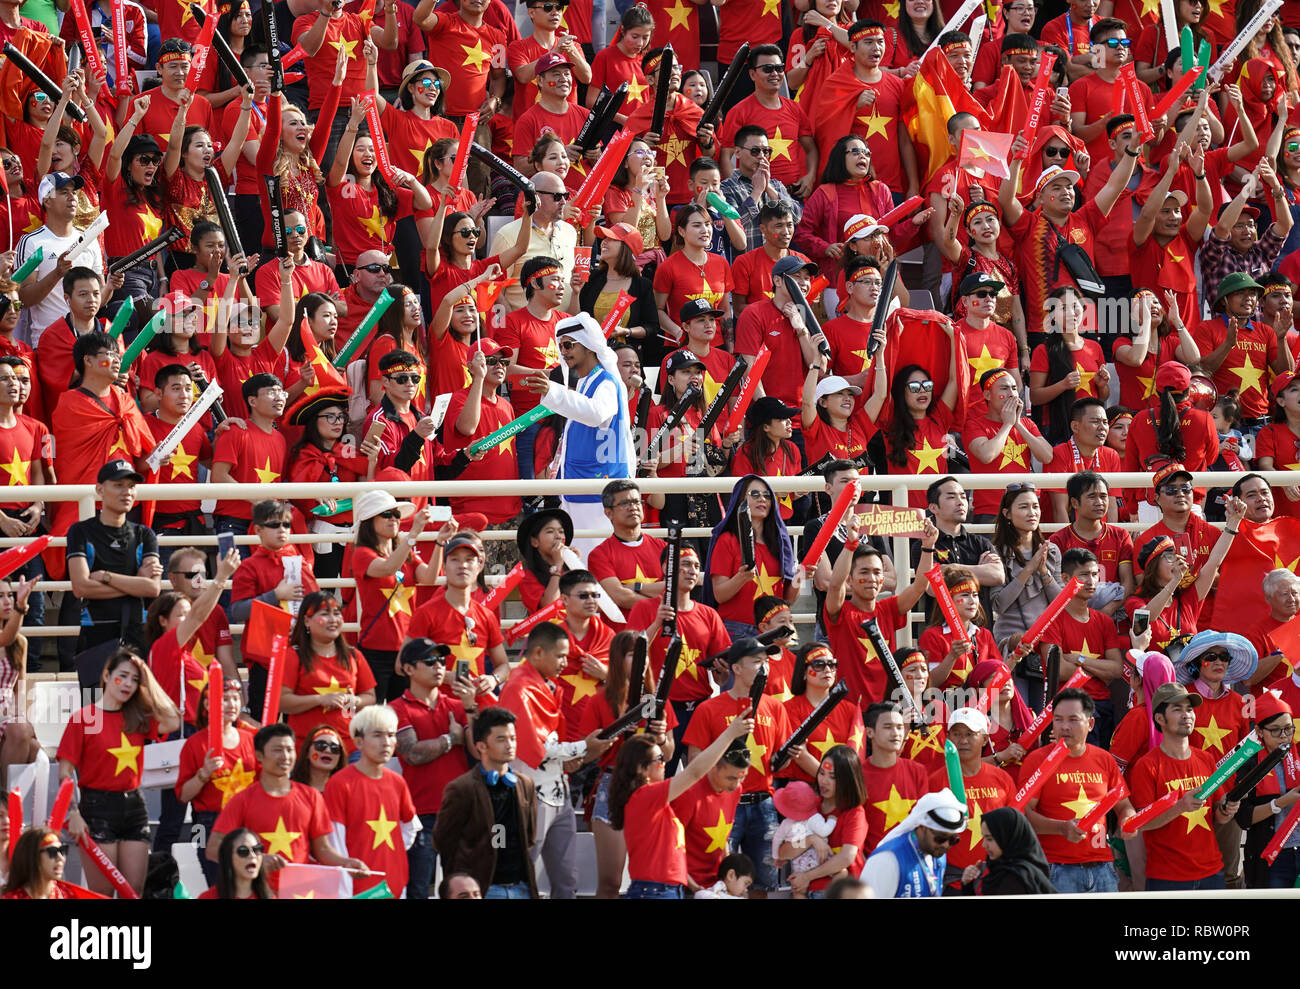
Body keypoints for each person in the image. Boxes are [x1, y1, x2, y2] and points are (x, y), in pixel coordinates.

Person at [682, 637, 814, 894]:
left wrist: (792, 752)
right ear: (736, 668)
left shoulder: (775, 708)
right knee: (718, 878)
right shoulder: (709, 709)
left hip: (763, 803)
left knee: (760, 883)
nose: (763, 668)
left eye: (765, 662)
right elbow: (694, 761)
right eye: (756, 662)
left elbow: (779, 763)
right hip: (721, 804)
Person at [497, 621, 612, 899]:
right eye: (561, 656)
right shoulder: (518, 688)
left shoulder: (545, 686)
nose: (565, 662)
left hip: (558, 793)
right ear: (537, 653)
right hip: (528, 797)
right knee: (519, 875)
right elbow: (538, 747)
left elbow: (550, 748)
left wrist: (569, 759)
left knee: (567, 878)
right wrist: (584, 747)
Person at [55, 649, 179, 896]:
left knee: (134, 890)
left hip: (134, 805)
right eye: (123, 676)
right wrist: (73, 813)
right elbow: (65, 772)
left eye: (135, 679)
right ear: (107, 675)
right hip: (96, 806)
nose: (129, 684)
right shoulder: (85, 718)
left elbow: (173, 719)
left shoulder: (137, 716)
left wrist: (148, 678)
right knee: (103, 892)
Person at [609, 713, 753, 899]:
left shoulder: (651, 799)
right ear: (641, 769)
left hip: (665, 890)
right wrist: (729, 734)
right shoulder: (644, 796)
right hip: (654, 891)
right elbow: (694, 773)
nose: (664, 764)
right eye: (659, 760)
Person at [208, 723, 367, 888]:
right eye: (277, 750)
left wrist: (346, 863)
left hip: (299, 891)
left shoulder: (311, 797)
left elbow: (323, 850)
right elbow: (213, 848)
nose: (285, 756)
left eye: (290, 750)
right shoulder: (242, 800)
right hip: (257, 890)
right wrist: (254, 859)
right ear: (259, 756)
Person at [523, 313, 633, 547]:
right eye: (560, 346)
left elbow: (596, 413)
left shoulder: (605, 381)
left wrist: (553, 392)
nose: (564, 351)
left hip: (599, 489)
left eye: (569, 345)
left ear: (589, 344)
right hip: (582, 487)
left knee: (597, 564)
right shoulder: (585, 383)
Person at [1020, 687, 1136, 893]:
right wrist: (1062, 828)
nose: (1064, 727)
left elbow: (1124, 805)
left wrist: (1128, 819)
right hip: (1056, 869)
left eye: (1073, 720)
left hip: (1103, 867)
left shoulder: (1104, 759)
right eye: (1058, 719)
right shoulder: (1037, 761)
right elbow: (1024, 815)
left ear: (1090, 724)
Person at [1129, 682, 1239, 891]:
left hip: (1212, 873)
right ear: (1160, 718)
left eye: (1189, 709)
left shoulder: (1206, 759)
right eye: (1177, 709)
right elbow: (1141, 823)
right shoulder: (1147, 766)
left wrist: (1227, 810)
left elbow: (1218, 815)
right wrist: (1180, 806)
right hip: (1167, 878)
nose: (1186, 715)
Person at [390, 638, 474, 901]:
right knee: (419, 889)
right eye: (429, 661)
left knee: (461, 889)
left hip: (460, 812)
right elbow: (413, 753)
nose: (438, 666)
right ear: (408, 669)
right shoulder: (396, 708)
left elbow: (477, 749)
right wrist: (450, 739)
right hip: (421, 815)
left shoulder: (458, 706)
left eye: (441, 660)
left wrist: (471, 707)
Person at [825, 511, 937, 708]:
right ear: (849, 580)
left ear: (883, 579)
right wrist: (850, 545)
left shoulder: (888, 609)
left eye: (877, 572)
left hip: (888, 710)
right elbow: (835, 585)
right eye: (864, 572)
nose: (871, 578)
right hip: (851, 711)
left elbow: (920, 586)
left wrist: (928, 547)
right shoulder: (840, 612)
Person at [349, 491, 446, 702]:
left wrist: (439, 543)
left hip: (407, 648)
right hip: (376, 649)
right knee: (373, 712)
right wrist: (413, 535)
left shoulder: (407, 554)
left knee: (404, 712)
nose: (394, 519)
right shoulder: (362, 554)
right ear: (368, 521)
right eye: (386, 514)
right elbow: (388, 568)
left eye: (395, 514)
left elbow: (429, 578)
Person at [434, 707, 540, 899]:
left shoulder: (526, 785)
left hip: (521, 886)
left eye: (513, 738)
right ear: (481, 746)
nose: (510, 745)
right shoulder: (462, 788)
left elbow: (530, 836)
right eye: (501, 739)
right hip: (483, 889)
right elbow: (444, 841)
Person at [64, 459, 162, 660]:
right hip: (95, 632)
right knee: (94, 693)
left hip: (137, 632)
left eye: (131, 486)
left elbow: (152, 589)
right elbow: (81, 587)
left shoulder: (145, 534)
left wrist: (105, 577)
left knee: (138, 691)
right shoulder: (80, 531)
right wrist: (135, 584)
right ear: (99, 489)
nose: (126, 492)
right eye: (118, 485)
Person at [1126, 493, 1246, 653]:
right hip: (1154, 675)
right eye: (1169, 556)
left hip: (1186, 676)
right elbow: (1145, 619)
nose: (1177, 559)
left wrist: (1234, 522)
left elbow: (1214, 562)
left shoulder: (1188, 599)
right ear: (1152, 566)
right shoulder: (1134, 602)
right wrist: (1174, 582)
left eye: (1178, 554)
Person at [324, 705, 420, 897]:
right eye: (377, 735)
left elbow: (410, 826)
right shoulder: (340, 783)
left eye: (391, 735)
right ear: (358, 741)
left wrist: (391, 857)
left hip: (394, 883)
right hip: (354, 889)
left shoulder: (397, 782)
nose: (386, 742)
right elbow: (334, 841)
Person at [1039, 549, 1126, 746]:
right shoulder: (1051, 619)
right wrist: (1100, 670)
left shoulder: (1105, 622)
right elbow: (1058, 669)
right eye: (1084, 575)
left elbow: (1116, 670)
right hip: (1069, 708)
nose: (1092, 581)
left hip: (1104, 706)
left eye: (1095, 574)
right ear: (1065, 578)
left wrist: (1079, 659)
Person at [177, 674, 256, 887]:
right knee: (216, 883)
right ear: (207, 703)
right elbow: (183, 795)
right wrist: (203, 774)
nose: (232, 704)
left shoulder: (252, 740)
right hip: (207, 822)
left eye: (235, 698)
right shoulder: (194, 744)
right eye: (224, 698)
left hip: (248, 820)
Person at [991, 483, 1062, 709]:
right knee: (1019, 714)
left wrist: (1043, 571)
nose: (1032, 513)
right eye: (1023, 507)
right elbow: (999, 604)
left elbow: (1060, 603)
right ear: (1007, 514)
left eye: (1035, 506)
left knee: (1044, 715)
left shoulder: (1050, 551)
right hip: (1011, 644)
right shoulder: (996, 552)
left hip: (1045, 645)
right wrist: (1028, 569)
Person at [279, 591, 377, 753]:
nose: (333, 620)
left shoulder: (354, 655)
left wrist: (353, 700)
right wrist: (321, 699)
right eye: (325, 614)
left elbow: (370, 697)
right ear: (306, 621)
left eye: (337, 614)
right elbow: (282, 701)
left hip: (349, 748)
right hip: (307, 748)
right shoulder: (293, 655)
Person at [705, 475, 800, 640]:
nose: (762, 499)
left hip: (773, 630)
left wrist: (802, 574)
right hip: (735, 630)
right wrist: (741, 578)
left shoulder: (781, 543)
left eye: (767, 495)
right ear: (740, 500)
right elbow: (719, 594)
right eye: (755, 494)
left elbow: (788, 599)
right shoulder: (728, 539)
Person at [932, 707, 1016, 893]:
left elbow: (1014, 829)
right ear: (948, 738)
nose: (962, 741)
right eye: (957, 734)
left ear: (985, 739)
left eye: (970, 734)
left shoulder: (1002, 779)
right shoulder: (936, 781)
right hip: (951, 882)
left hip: (995, 879)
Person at [962, 369, 1053, 520]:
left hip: (1025, 509)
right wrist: (1008, 425)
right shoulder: (974, 425)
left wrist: (1017, 424)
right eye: (1004, 388)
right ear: (987, 395)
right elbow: (986, 455)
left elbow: (1047, 456)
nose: (1011, 393)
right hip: (991, 512)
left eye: (1014, 388)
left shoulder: (1026, 424)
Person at [1236, 691, 1300, 888]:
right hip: (1271, 855)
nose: (1284, 736)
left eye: (1289, 729)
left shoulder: (1297, 759)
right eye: (1275, 730)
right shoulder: (1249, 765)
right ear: (1260, 731)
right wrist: (1280, 803)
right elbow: (1243, 817)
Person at [859, 789, 968, 898]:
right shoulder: (887, 860)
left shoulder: (938, 855)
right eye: (940, 838)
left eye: (953, 839)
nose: (946, 845)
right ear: (921, 826)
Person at [960, 807, 1058, 895]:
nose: (984, 845)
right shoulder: (998, 869)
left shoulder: (1016, 879)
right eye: (984, 838)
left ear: (1008, 838)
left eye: (989, 839)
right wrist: (967, 885)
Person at [0, 829, 85, 899]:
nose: (60, 858)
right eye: (52, 852)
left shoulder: (68, 894)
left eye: (63, 850)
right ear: (33, 857)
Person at [202, 828, 273, 900]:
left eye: (257, 849)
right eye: (243, 851)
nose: (252, 856)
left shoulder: (270, 896)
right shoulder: (208, 897)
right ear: (228, 857)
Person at [290, 726, 348, 794]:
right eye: (321, 745)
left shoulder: (346, 792)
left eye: (334, 748)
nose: (328, 751)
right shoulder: (290, 789)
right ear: (307, 752)